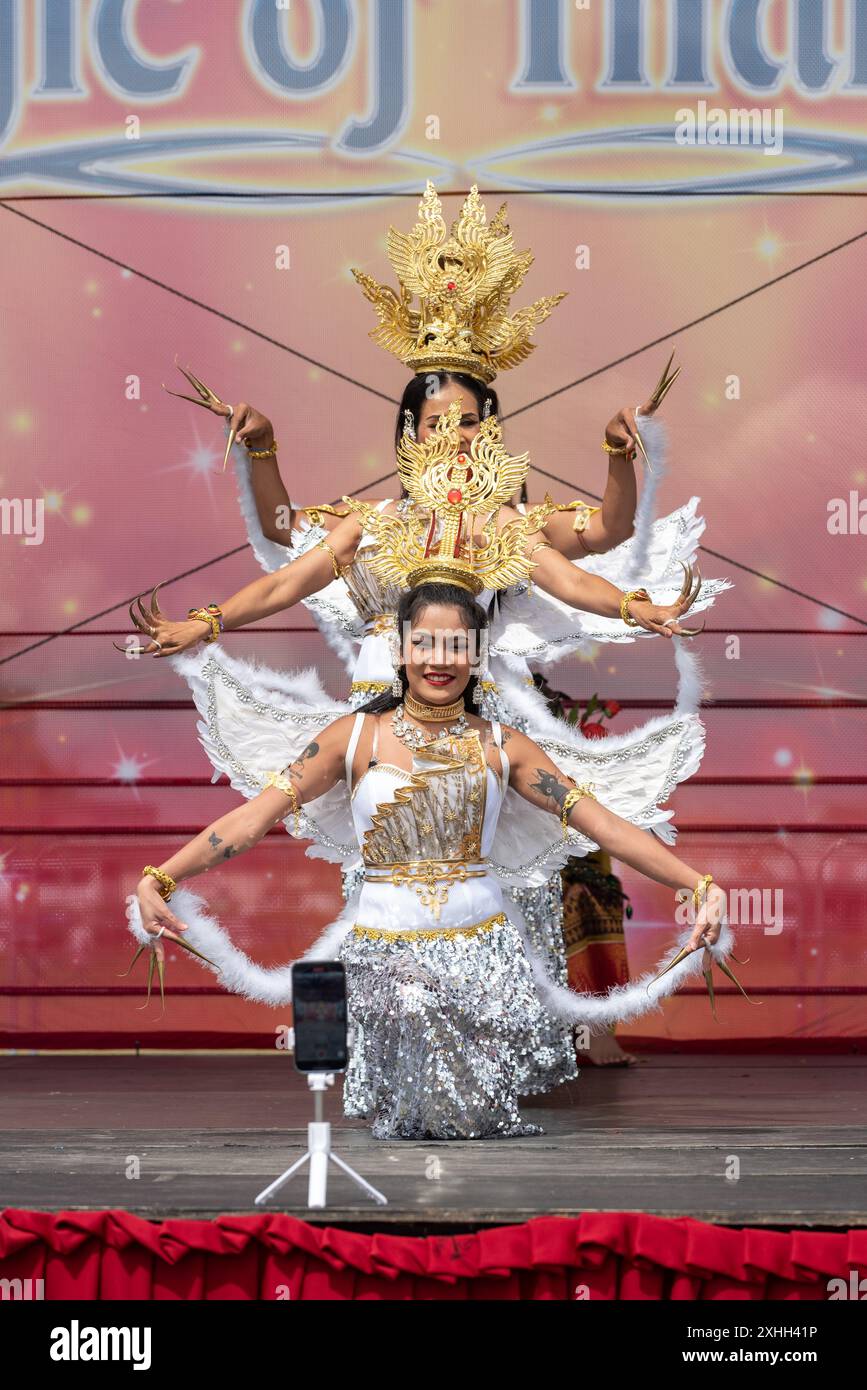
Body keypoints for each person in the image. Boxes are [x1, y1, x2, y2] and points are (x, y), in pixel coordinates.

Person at [123, 185, 729, 1096]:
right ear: (410, 432)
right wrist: (222, 573)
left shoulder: (506, 525)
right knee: (386, 874)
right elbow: (289, 565)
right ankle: (378, 1047)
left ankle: (521, 1050)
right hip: (386, 726)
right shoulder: (370, 527)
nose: (452, 437)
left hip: (491, 723)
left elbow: (588, 557)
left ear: (490, 430)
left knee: (542, 869)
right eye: (434, 423)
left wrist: (624, 517)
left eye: (468, 422)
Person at [126, 580, 737, 1142]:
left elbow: (603, 825)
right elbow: (251, 820)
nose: (439, 659)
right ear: (399, 650)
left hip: (485, 962)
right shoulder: (352, 738)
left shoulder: (504, 747)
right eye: (425, 643)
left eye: (456, 645)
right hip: (386, 961)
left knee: (467, 1127)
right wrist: (162, 876)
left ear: (476, 655)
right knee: (418, 1116)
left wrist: (698, 883)